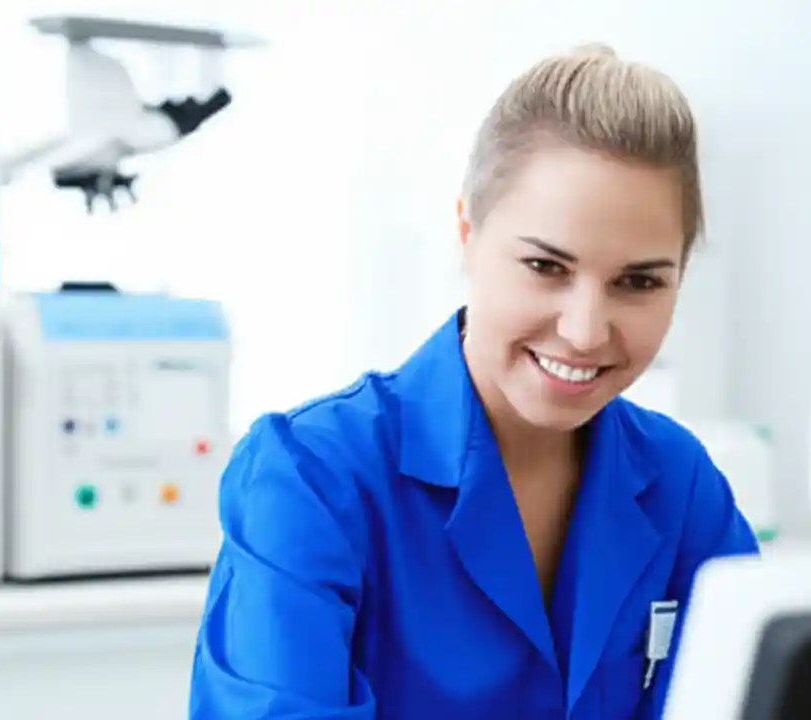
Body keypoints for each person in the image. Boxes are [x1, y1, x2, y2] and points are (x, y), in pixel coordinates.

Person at [188, 44, 759, 719]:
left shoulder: (680, 484)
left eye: (639, 282)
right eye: (546, 267)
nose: (584, 330)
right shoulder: (310, 478)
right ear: (467, 232)